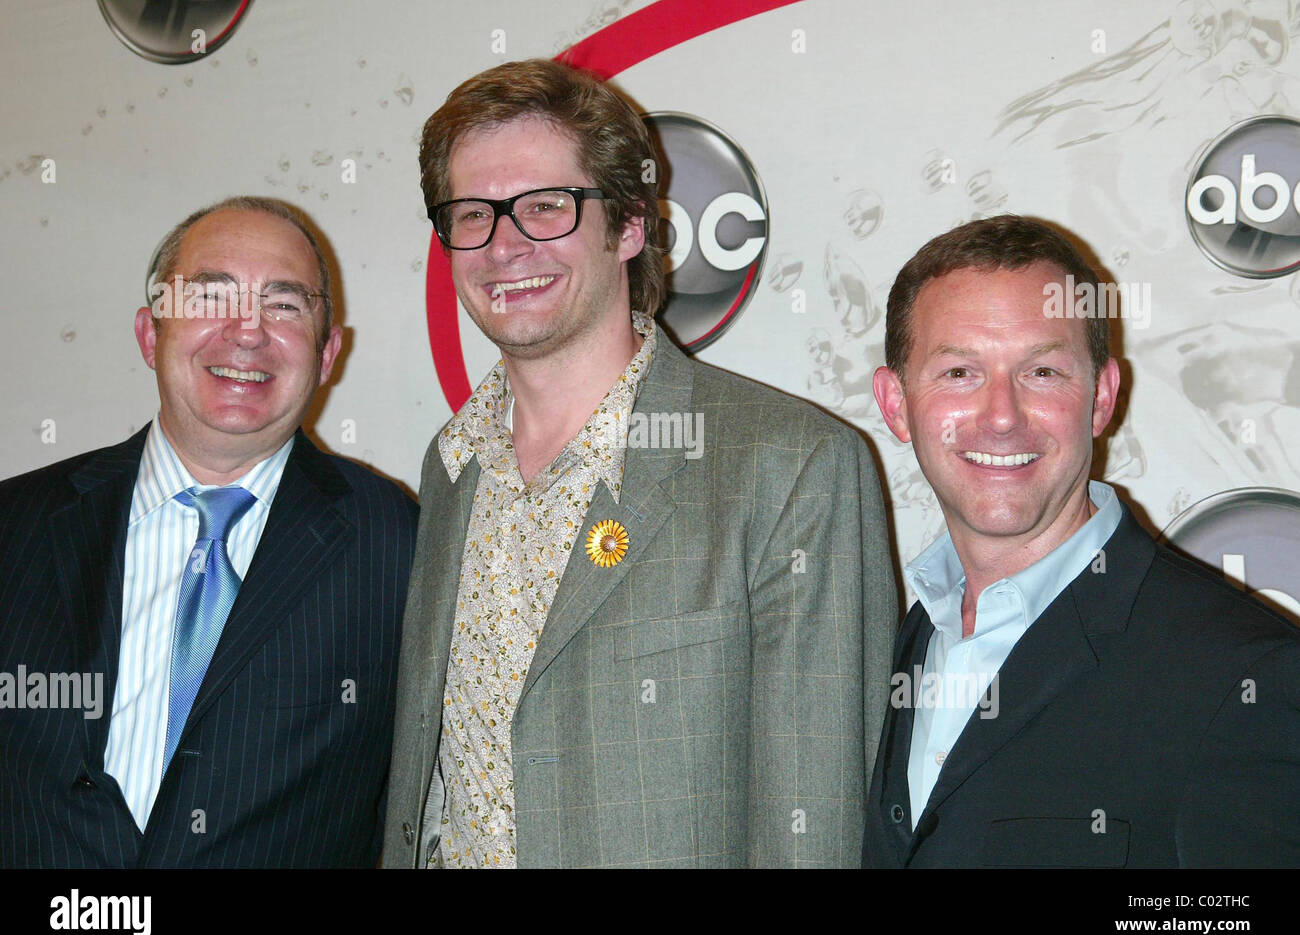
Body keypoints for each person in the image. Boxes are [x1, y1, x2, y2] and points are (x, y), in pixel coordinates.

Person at [384, 59, 897, 868]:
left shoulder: (790, 466)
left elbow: (815, 830)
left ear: (628, 225)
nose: (505, 245)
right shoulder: (452, 466)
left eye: (546, 206)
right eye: (472, 214)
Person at [864, 214, 1300, 867]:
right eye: (959, 372)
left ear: (1101, 397)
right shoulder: (911, 637)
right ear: (896, 404)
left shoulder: (1246, 679)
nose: (1001, 416)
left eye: (1042, 372)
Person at [0, 197, 417, 867]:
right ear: (150, 335)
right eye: (209, 298)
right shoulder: (15, 526)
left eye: (284, 304)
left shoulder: (398, 542)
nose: (247, 331)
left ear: (328, 353)